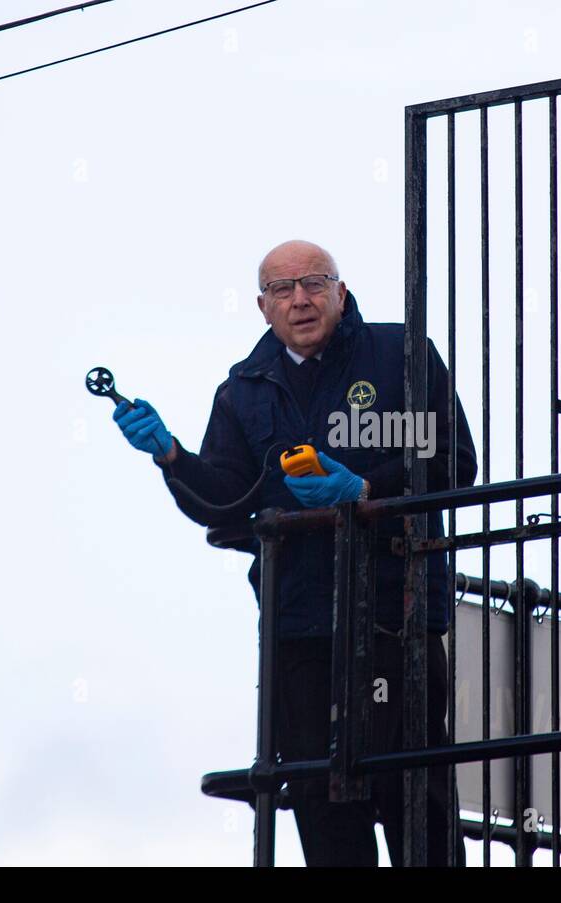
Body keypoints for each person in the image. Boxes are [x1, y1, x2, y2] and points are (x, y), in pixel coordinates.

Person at [112, 239, 477, 866]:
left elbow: (455, 464)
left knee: (412, 787)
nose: (300, 300)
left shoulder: (401, 356)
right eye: (283, 290)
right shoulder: (245, 390)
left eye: (313, 283)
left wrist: (363, 490)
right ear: (262, 306)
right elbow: (225, 502)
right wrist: (171, 456)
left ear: (340, 291)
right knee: (318, 792)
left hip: (396, 611)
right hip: (299, 623)